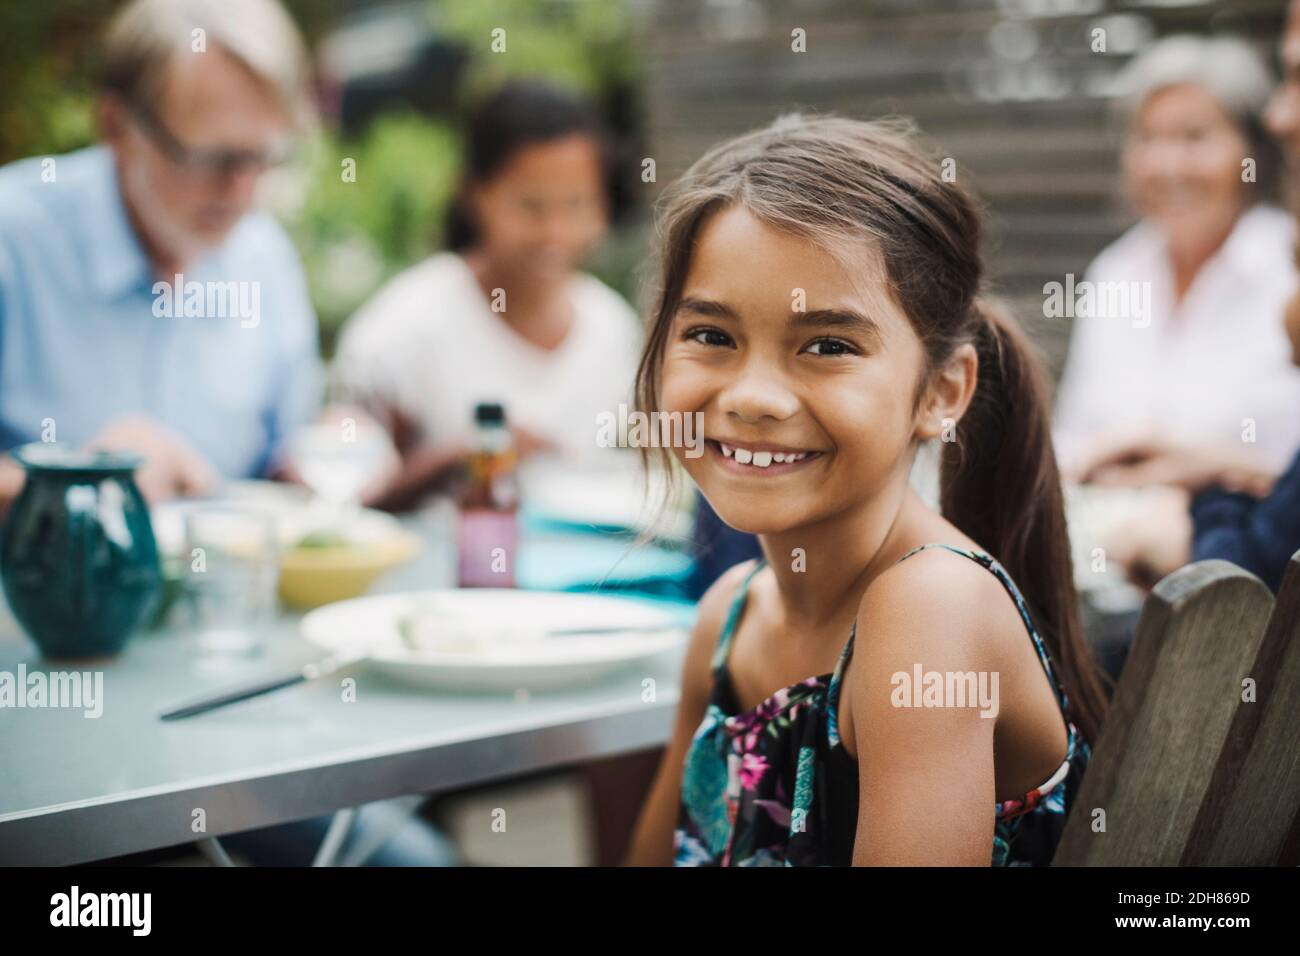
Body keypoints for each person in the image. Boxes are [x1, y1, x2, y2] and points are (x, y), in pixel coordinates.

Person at [624, 115, 1108, 866]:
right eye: (712, 336)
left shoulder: (931, 612)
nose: (754, 397)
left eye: (828, 346)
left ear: (941, 392)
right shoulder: (727, 620)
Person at [0, 0, 324, 512]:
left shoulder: (264, 256)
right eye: (211, 159)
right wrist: (87, 484)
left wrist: (337, 454)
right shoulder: (14, 239)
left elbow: (286, 457)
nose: (241, 192)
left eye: (261, 158)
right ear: (117, 128)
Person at [332, 80, 642, 512]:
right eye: (531, 206)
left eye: (576, 205)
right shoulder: (402, 328)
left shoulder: (614, 328)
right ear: (476, 196)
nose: (555, 233)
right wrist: (467, 457)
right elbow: (347, 500)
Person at [1056, 35, 1300, 481]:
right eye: (1148, 138)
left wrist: (1216, 469)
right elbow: (1068, 441)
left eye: (1195, 137)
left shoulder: (1288, 269)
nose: (1167, 166)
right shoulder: (1114, 273)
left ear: (1250, 151)